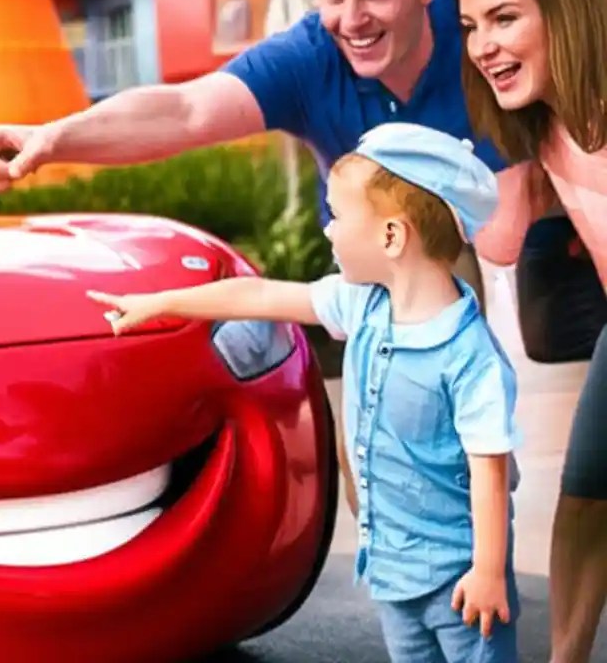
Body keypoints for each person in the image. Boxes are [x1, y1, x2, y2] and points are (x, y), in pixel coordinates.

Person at [0, 0, 502, 519]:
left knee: (469, 445)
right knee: (378, 464)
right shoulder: (311, 57)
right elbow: (186, 110)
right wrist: (56, 138)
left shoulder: (476, 24)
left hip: (473, 260)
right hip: (378, 274)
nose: (352, 19)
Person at [88, 122, 521, 662]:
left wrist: (487, 571)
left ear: (391, 237)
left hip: (461, 579)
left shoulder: (469, 357)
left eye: (337, 216)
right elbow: (260, 296)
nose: (327, 230)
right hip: (393, 570)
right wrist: (162, 302)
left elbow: (489, 471)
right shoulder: (364, 305)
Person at [453, 0, 607, 660]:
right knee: (585, 497)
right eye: (471, 27)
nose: (483, 45)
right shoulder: (540, 130)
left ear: (564, 10)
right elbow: (498, 241)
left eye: (504, 18)